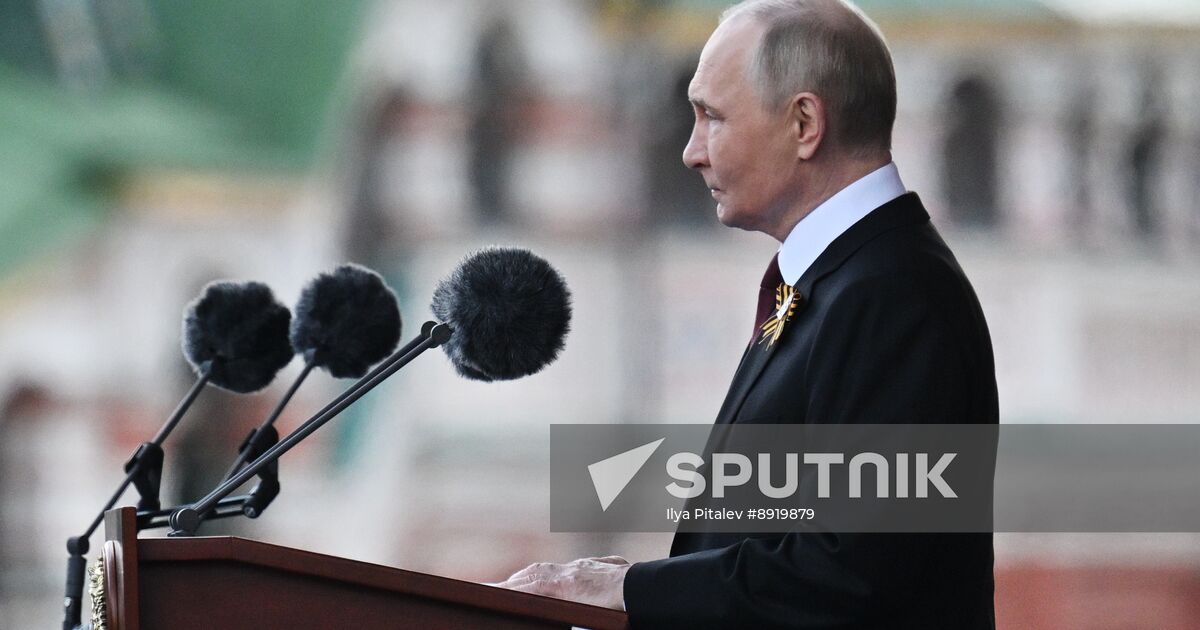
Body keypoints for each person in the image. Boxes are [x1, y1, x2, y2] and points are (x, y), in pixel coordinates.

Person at [494, 1, 998, 627]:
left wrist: (629, 593)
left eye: (712, 117)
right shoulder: (840, 281)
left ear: (804, 123)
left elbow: (852, 578)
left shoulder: (893, 297)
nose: (691, 152)